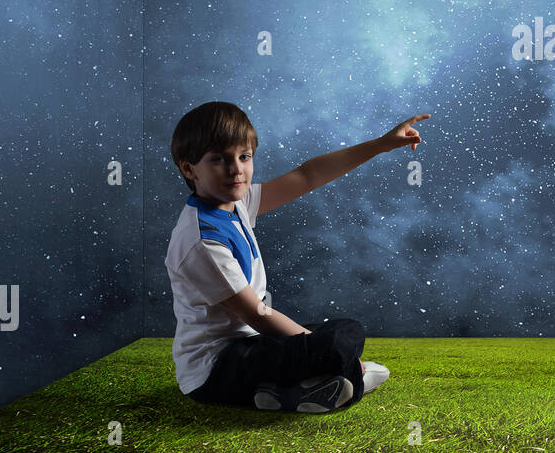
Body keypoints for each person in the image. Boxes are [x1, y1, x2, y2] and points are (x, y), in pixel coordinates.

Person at [165, 100, 430, 412]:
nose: (236, 169)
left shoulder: (237, 202)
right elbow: (257, 315)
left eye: (244, 156)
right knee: (332, 344)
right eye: (219, 160)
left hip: (251, 345)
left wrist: (381, 144)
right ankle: (340, 377)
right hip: (218, 369)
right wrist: (315, 350)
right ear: (188, 168)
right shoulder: (201, 242)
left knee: (345, 330)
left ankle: (288, 390)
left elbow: (308, 176)